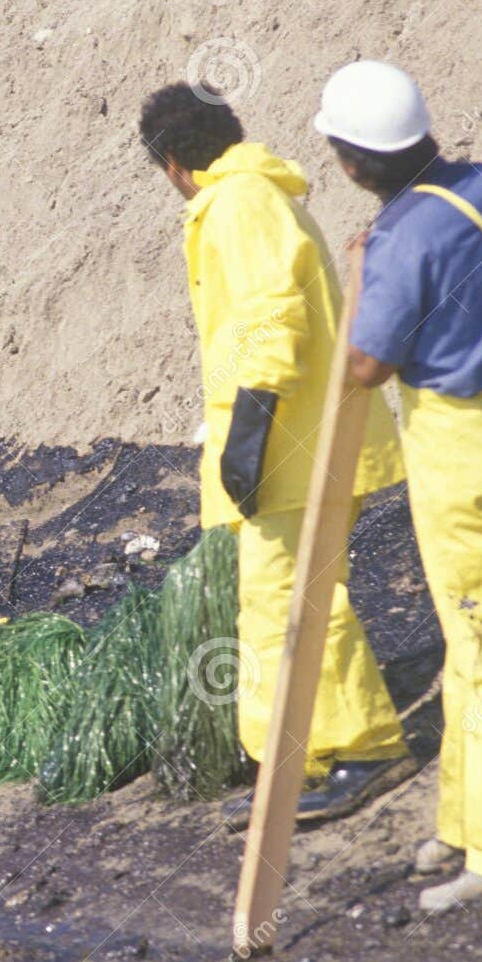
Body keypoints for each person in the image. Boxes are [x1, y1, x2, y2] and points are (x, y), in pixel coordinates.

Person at [318, 60, 482, 911]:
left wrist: (366, 279)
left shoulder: (404, 238)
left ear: (353, 162)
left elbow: (365, 363)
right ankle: (468, 818)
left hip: (467, 452)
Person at [137, 84, 415, 828]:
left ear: (171, 163)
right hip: (300, 448)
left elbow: (272, 319)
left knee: (294, 605)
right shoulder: (250, 197)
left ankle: (365, 747)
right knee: (281, 604)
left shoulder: (239, 204)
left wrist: (251, 434)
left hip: (295, 450)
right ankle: (305, 755)